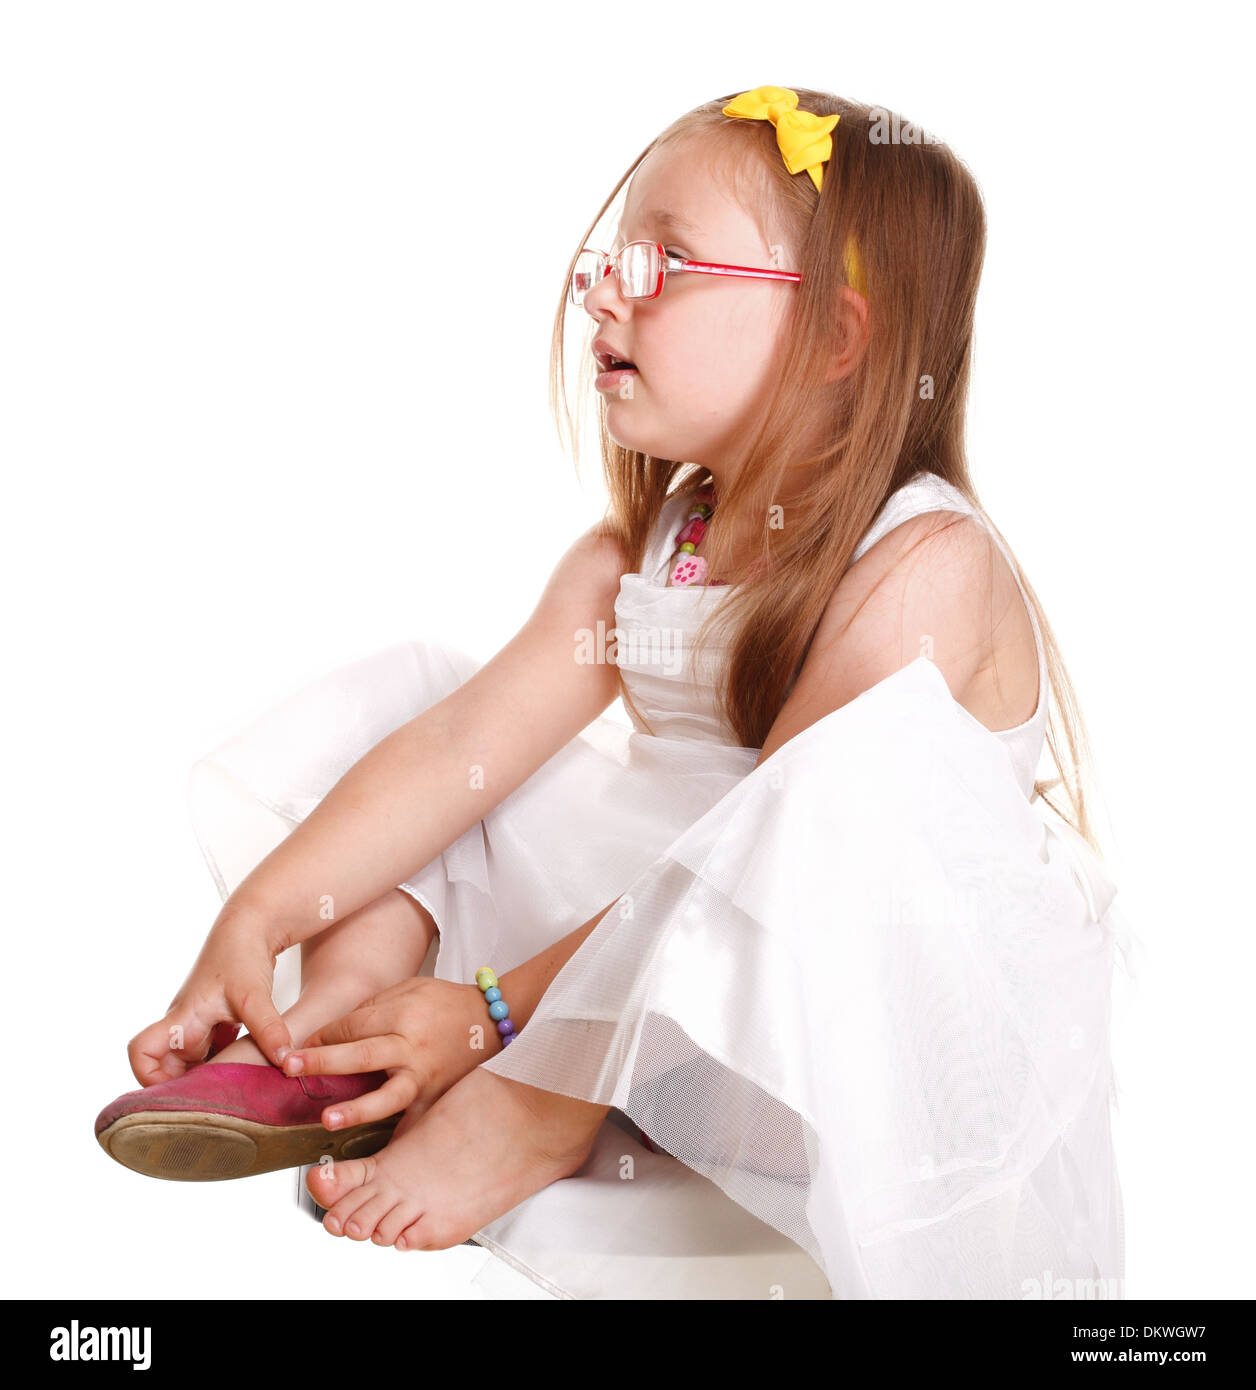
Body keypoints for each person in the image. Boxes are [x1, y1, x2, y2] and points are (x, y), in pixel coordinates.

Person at [95, 84, 1135, 1300]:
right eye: (609, 258)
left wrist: (495, 1016)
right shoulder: (642, 551)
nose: (602, 288)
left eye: (665, 261)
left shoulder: (923, 566)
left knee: (821, 796)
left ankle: (539, 1109)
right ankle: (333, 1043)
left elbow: (759, 864)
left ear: (836, 338)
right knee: (438, 709)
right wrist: (261, 919)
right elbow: (460, 750)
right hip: (626, 937)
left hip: (807, 1045)